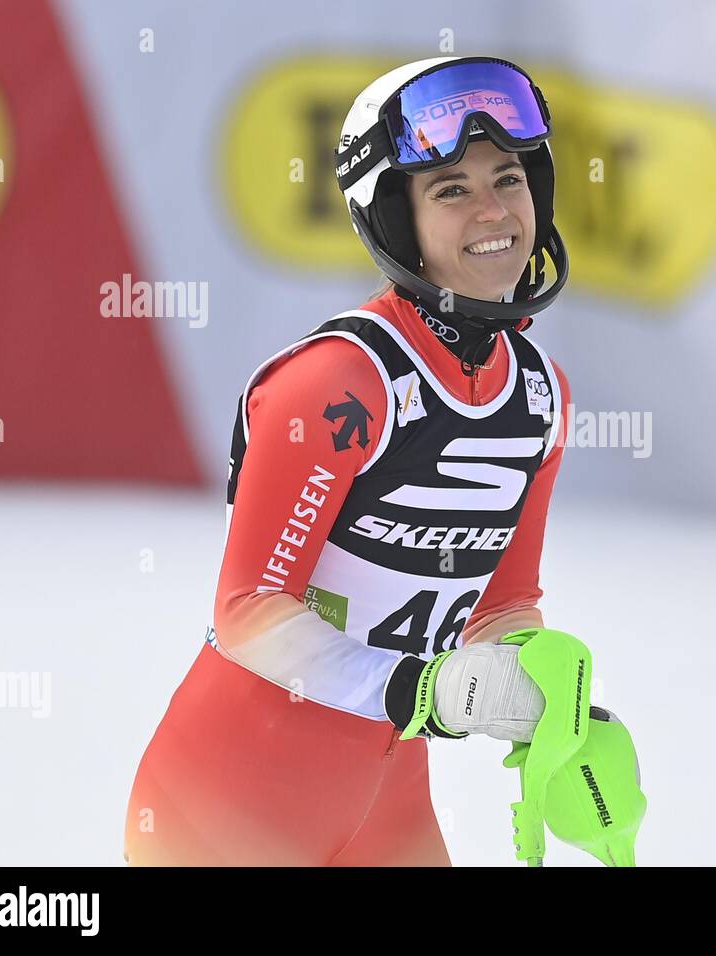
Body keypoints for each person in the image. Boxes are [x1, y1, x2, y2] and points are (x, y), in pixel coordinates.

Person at [123, 56, 574, 866]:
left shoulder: (539, 395)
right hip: (227, 800)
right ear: (397, 222)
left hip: (387, 798)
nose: (494, 210)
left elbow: (503, 604)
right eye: (451, 190)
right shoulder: (342, 384)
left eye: (509, 178)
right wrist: (424, 692)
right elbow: (250, 610)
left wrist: (559, 720)